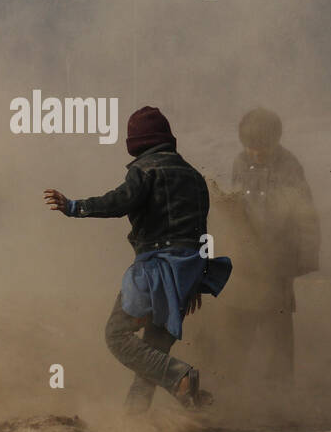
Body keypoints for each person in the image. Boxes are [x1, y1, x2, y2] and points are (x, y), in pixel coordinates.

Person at [43, 106, 233, 412]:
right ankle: (134, 421)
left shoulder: (145, 170)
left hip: (155, 271)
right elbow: (201, 233)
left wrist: (74, 206)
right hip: (186, 272)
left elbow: (119, 202)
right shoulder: (195, 177)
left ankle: (181, 378)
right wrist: (196, 282)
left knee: (117, 336)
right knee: (152, 355)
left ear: (136, 142)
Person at [226, 107, 320, 384]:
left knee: (277, 329)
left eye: (262, 146)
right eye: (250, 146)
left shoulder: (290, 166)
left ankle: (279, 393)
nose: (255, 152)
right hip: (245, 260)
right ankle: (232, 384)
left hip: (278, 260)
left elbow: (307, 214)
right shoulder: (239, 162)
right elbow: (233, 205)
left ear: (275, 139)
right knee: (240, 322)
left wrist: (306, 259)